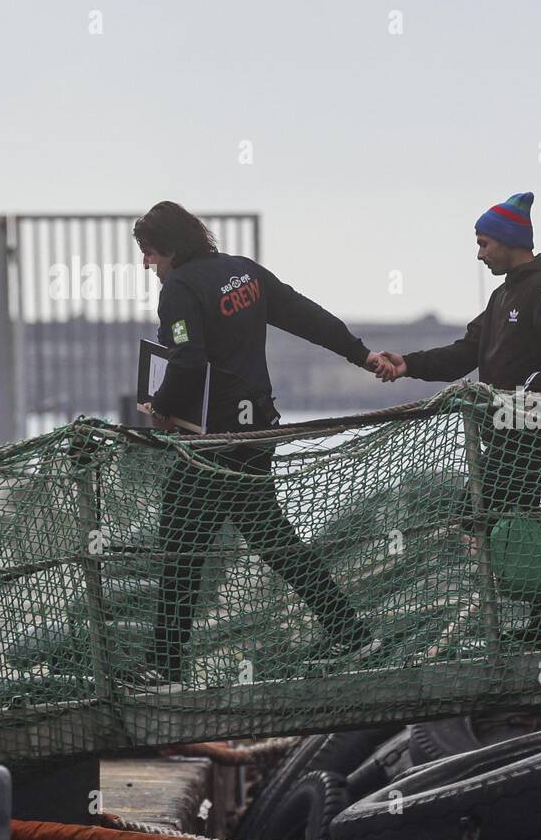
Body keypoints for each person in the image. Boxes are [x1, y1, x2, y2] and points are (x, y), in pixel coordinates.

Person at [134, 201, 386, 685]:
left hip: (215, 443)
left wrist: (160, 409)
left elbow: (186, 362)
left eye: (149, 255)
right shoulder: (242, 273)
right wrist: (361, 354)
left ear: (167, 249)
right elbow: (306, 315)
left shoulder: (180, 289)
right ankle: (352, 633)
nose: (148, 266)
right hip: (259, 430)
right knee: (274, 539)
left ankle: (163, 667)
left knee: (180, 546)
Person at [375, 192, 541, 648]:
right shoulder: (502, 296)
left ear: (509, 241)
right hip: (505, 423)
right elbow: (464, 353)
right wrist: (408, 364)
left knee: (478, 511)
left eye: (484, 243)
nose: (479, 253)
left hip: (533, 423)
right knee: (521, 515)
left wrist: (528, 394)